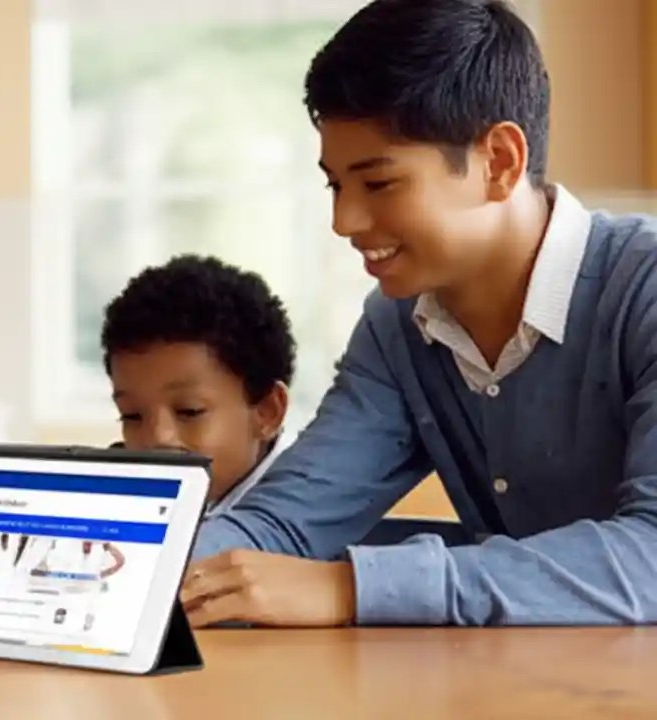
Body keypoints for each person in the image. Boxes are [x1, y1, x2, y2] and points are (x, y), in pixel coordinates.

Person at [183, 0, 657, 628]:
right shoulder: (395, 325)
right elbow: (286, 523)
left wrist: (353, 588)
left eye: (377, 184)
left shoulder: (643, 287)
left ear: (500, 162)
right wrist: (109, 570)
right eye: (335, 185)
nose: (344, 222)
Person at [101, 255, 294, 516]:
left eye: (189, 411)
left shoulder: (317, 524)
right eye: (132, 415)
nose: (158, 437)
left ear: (267, 411)